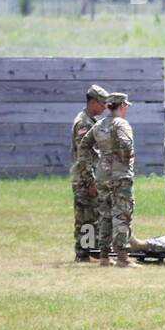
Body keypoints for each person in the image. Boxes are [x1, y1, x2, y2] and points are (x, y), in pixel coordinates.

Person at [80, 92, 135, 267]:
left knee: (104, 214)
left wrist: (94, 163)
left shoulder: (99, 125)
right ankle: (122, 257)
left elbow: (84, 145)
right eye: (125, 106)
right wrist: (125, 159)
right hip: (120, 175)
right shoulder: (122, 124)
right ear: (121, 106)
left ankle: (104, 255)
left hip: (102, 175)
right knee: (122, 214)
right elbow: (126, 145)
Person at [70, 84, 108, 261]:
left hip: (90, 176)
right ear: (92, 102)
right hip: (85, 179)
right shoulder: (84, 123)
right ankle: (83, 253)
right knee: (85, 216)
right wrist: (90, 181)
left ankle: (90, 249)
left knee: (92, 215)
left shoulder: (90, 121)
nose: (104, 107)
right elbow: (83, 154)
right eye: (101, 103)